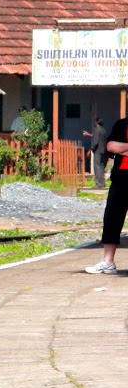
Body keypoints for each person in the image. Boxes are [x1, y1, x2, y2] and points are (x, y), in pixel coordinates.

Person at [85, 115, 128, 273]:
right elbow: (110, 146)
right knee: (112, 218)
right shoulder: (122, 124)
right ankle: (108, 261)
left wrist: (123, 148)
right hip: (121, 179)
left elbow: (118, 148)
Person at [92, 117, 108, 189]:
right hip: (103, 151)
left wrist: (91, 148)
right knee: (101, 167)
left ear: (96, 122)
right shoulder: (103, 130)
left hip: (98, 151)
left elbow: (96, 141)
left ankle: (98, 183)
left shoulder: (97, 130)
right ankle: (102, 183)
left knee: (97, 167)